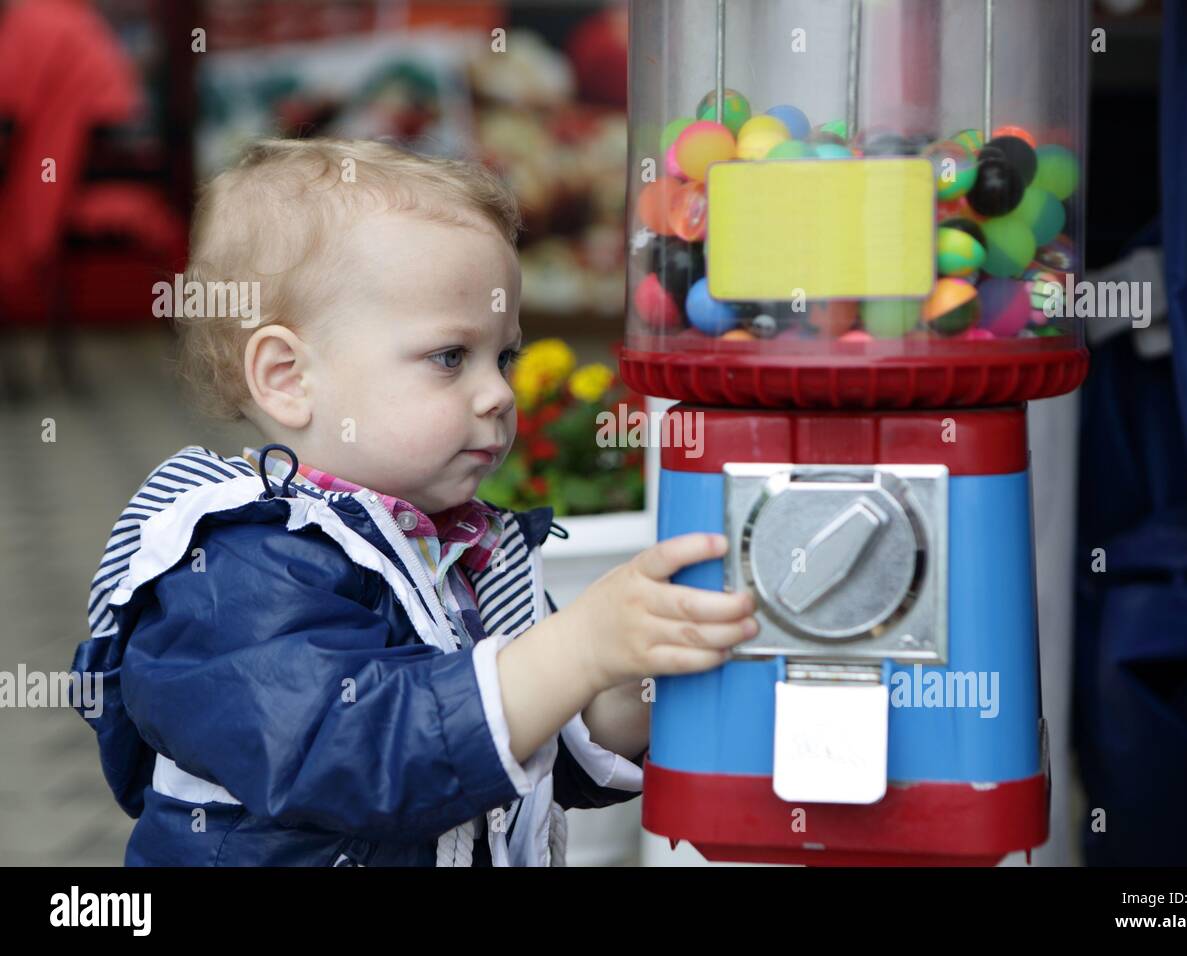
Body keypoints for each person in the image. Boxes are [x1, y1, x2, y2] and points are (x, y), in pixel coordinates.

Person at [70, 137, 757, 866]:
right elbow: (359, 754)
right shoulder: (230, 571)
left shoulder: (456, 549)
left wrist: (630, 674)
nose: (497, 393)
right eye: (450, 357)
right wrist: (575, 648)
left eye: (505, 356)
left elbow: (540, 745)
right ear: (287, 378)